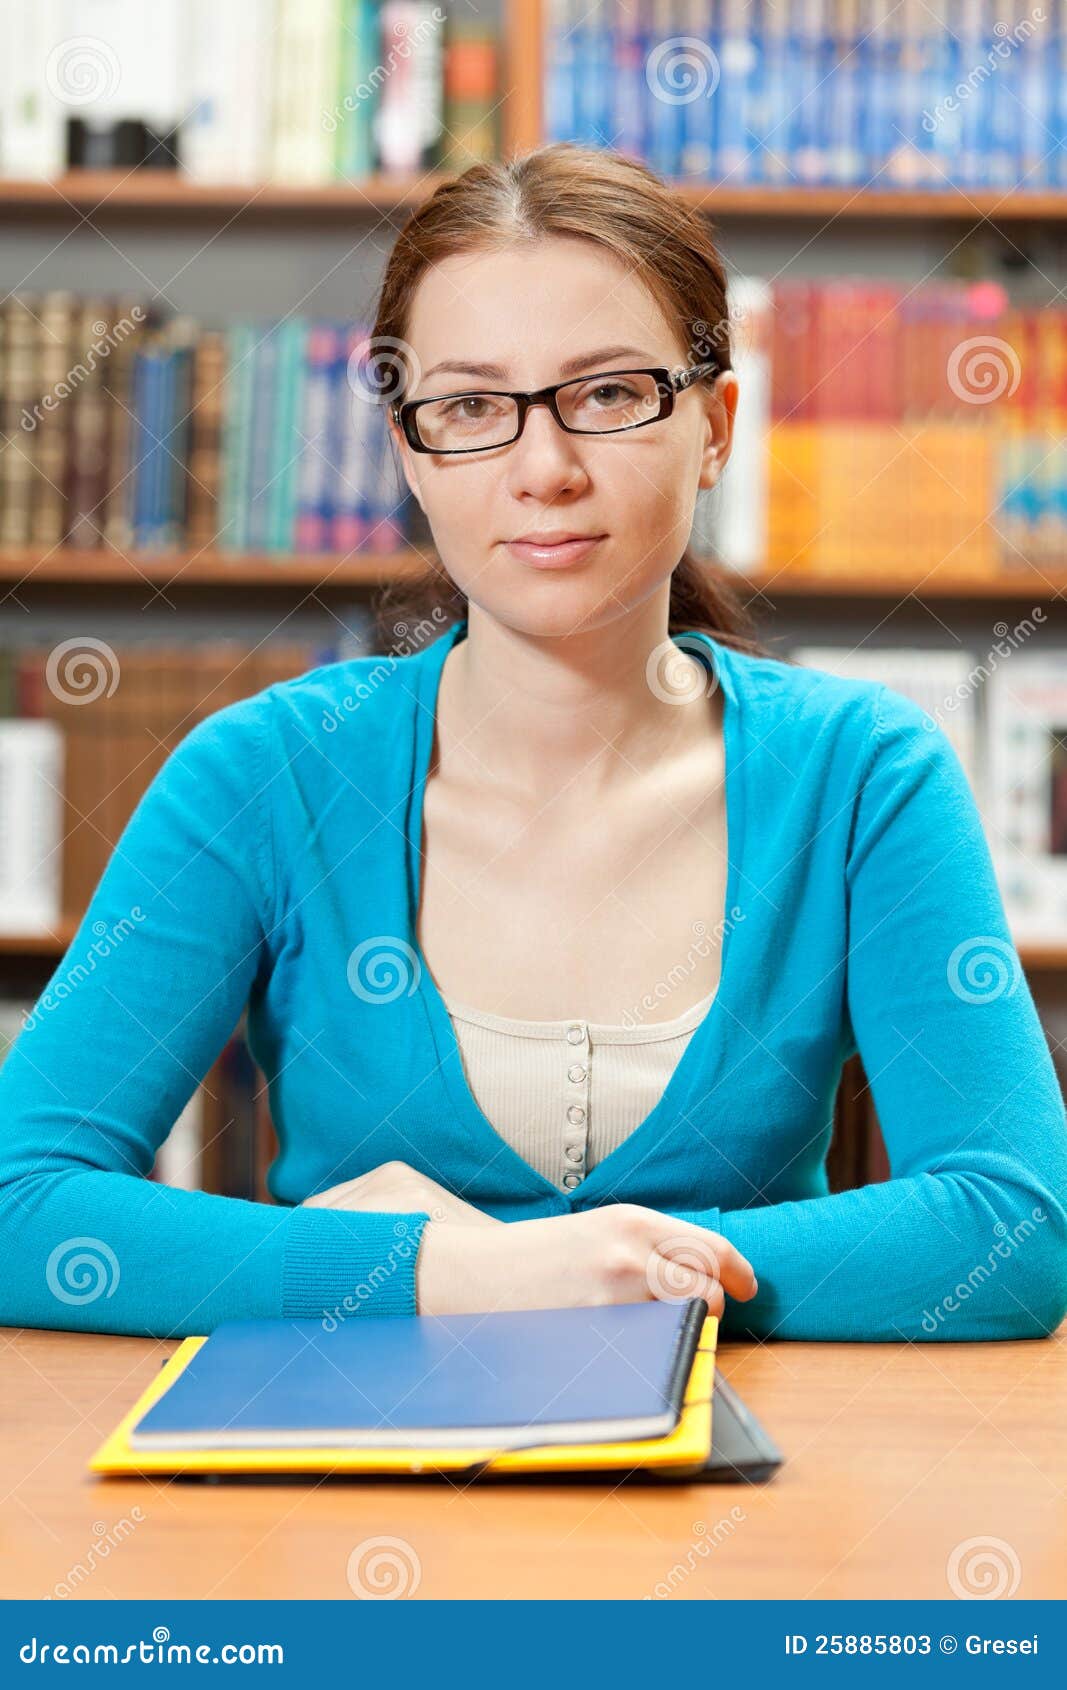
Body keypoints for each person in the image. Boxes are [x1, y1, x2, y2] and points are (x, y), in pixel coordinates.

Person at [0, 143, 1064, 1344]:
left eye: (608, 394)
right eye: (469, 408)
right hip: (337, 1487)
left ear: (713, 426)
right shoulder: (263, 775)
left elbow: (1007, 1233)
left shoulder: (863, 774)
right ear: (408, 450)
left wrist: (585, 1269)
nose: (543, 469)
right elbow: (21, 1205)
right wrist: (464, 1276)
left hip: (745, 1501)